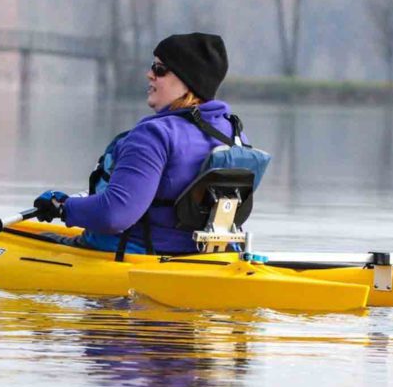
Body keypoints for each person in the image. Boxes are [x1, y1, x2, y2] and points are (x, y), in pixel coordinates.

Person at [32, 32, 251, 257]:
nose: (149, 75)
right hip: (208, 259)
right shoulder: (234, 134)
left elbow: (115, 214)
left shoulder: (153, 135)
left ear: (187, 81)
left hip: (132, 259)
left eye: (159, 69)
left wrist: (63, 207)